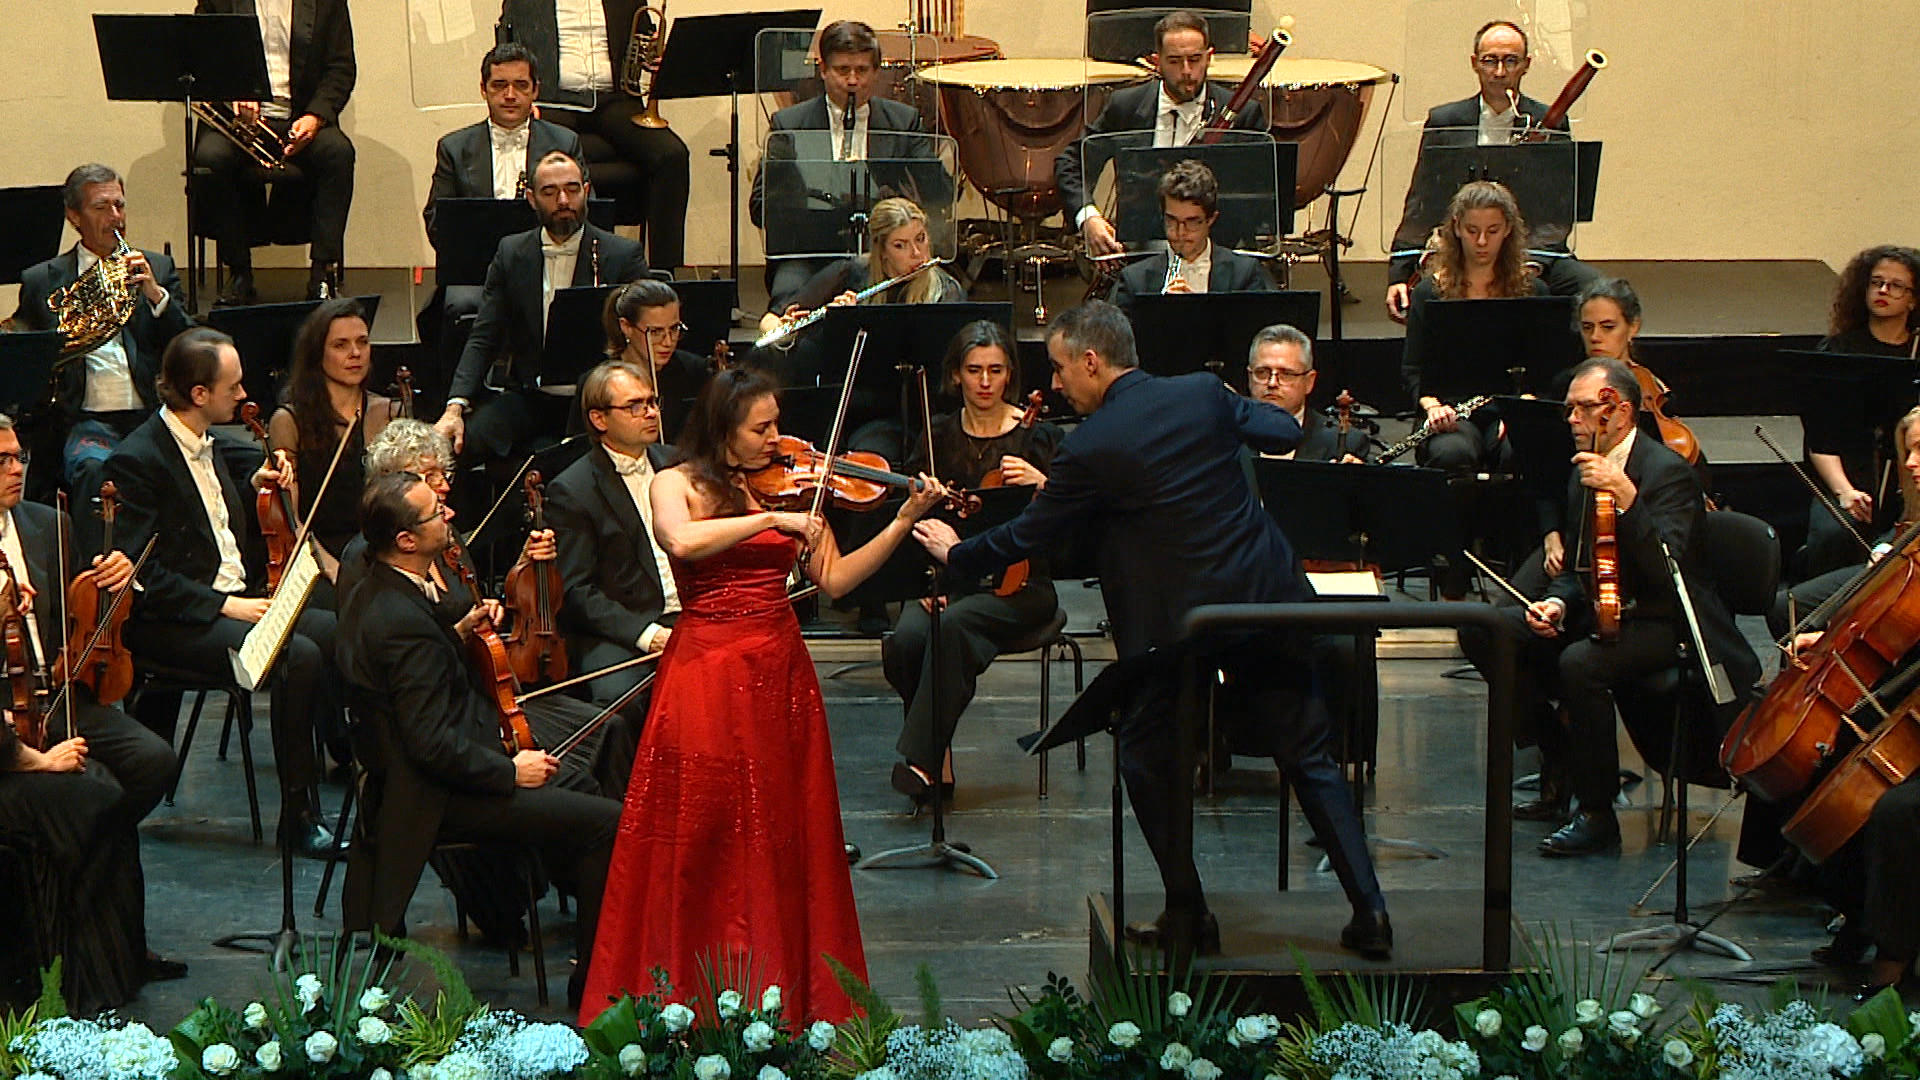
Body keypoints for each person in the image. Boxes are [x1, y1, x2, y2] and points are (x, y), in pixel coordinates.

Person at [912, 301, 1391, 961]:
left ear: (1091, 361)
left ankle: (1189, 913)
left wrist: (954, 553)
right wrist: (1226, 407)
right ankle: (1371, 912)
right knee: (1308, 754)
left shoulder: (1091, 445)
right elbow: (1280, 430)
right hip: (1262, 600)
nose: (1053, 385)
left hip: (1180, 625)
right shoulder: (1200, 392)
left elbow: (1029, 534)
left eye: (1057, 368)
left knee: (1144, 752)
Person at [581, 367, 950, 1024]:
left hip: (778, 672)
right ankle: (689, 995)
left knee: (778, 833)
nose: (778, 439)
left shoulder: (796, 489)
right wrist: (772, 519)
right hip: (707, 672)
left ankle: (779, 995)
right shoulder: (677, 483)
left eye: (777, 423)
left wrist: (900, 521)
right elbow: (680, 540)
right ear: (724, 430)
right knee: (704, 831)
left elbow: (835, 581)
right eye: (762, 428)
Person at [337, 471, 619, 1010]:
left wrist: (456, 633)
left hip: (431, 771)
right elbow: (430, 745)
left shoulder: (378, 585)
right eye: (434, 514)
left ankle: (592, 928)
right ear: (406, 541)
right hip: (437, 795)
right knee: (606, 825)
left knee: (584, 781)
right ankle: (597, 985)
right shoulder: (400, 622)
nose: (448, 515)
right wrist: (513, 770)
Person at [1455, 357, 1760, 856]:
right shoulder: (1583, 472)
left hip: (1668, 619)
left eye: (1579, 409)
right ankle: (1560, 755)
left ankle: (1597, 814)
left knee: (1581, 664)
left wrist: (1626, 498)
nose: (1569, 419)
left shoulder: (1669, 475)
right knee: (1485, 629)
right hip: (1606, 604)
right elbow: (1582, 568)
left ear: (1617, 411)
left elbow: (1670, 572)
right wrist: (1555, 602)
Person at [104, 327, 341, 859]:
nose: (243, 394)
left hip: (232, 605)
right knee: (296, 655)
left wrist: (260, 485)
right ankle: (299, 816)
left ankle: (351, 760)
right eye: (233, 386)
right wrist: (227, 605)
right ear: (199, 395)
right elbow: (142, 576)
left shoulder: (218, 447)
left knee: (335, 627)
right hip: (172, 623)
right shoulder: (137, 461)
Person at [0, 412, 185, 1011]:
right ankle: (88, 926)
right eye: (0, 462)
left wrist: (119, 579)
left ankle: (101, 898)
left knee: (153, 762)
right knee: (97, 793)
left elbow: (78, 609)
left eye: (18, 458)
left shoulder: (46, 523)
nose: (14, 471)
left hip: (57, 693)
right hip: (7, 712)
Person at [883, 321, 1064, 804]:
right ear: (956, 375)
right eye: (974, 370)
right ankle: (935, 756)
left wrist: (1042, 484)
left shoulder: (1039, 439)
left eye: (996, 370)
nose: (985, 382)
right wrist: (929, 576)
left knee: (956, 624)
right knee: (906, 638)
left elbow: (1075, 517)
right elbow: (915, 518)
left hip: (1022, 587)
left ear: (1010, 376)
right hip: (950, 578)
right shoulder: (937, 435)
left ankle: (922, 759)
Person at [9, 164, 191, 541]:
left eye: (120, 206)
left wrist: (156, 296)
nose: (115, 218)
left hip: (150, 416)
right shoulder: (42, 279)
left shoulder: (156, 267)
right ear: (74, 217)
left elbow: (189, 346)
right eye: (101, 207)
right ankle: (100, 582)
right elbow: (26, 353)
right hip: (84, 419)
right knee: (93, 471)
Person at [436, 151, 648, 467]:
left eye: (572, 189)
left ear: (586, 192)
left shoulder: (622, 255)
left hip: (598, 401)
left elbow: (640, 338)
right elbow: (484, 334)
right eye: (550, 192)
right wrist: (454, 407)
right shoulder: (511, 252)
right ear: (532, 199)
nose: (563, 200)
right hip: (530, 396)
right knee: (453, 448)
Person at [1383, 20, 1596, 323]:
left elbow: (1557, 213)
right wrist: (1399, 274)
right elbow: (1421, 202)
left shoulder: (1548, 123)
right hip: (1463, 251)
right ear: (1475, 64)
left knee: (1596, 291)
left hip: (1528, 252)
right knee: (1423, 297)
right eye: (1490, 61)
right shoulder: (1446, 121)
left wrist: (1533, 261)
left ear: (1526, 65)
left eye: (1511, 61)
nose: (1500, 72)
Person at [421, 42, 589, 403]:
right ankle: (460, 403)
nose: (510, 95)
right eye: (499, 86)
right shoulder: (454, 146)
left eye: (520, 86)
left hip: (552, 262)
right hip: (477, 272)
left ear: (536, 90)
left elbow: (582, 210)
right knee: (459, 304)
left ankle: (562, 398)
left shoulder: (565, 141)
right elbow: (437, 219)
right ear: (484, 89)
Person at [751, 20, 948, 314]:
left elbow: (941, 193)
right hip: (809, 252)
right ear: (823, 70)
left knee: (942, 296)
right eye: (843, 71)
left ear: (876, 71)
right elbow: (760, 208)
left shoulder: (903, 121)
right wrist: (806, 198)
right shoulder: (789, 125)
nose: (853, 81)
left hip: (884, 252)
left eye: (862, 71)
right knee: (786, 308)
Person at [545, 359, 679, 786]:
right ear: (599, 419)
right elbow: (578, 591)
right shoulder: (573, 488)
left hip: (689, 615)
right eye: (635, 406)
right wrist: (648, 634)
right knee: (620, 700)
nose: (651, 413)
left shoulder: (677, 463)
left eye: (653, 402)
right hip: (619, 631)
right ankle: (624, 817)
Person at [495, 0, 692, 270]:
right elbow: (508, 52)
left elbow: (644, 38)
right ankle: (537, 265)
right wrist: (527, 102)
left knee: (672, 155)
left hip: (615, 100)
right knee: (541, 153)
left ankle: (663, 274)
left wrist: (654, 55)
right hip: (555, 101)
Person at [1056, 10, 1268, 258]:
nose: (1187, 71)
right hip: (1143, 247)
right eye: (1175, 61)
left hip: (1220, 249)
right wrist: (1089, 217)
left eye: (1195, 59)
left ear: (1209, 57)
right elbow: (1071, 163)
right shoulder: (1125, 106)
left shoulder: (1243, 113)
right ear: (1156, 61)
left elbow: (1260, 195)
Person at [193, 0, 356, 304]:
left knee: (339, 153)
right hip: (239, 120)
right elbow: (204, 55)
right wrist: (235, 91)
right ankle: (239, 271)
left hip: (300, 113)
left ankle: (322, 272)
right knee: (209, 159)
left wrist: (316, 116)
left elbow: (341, 67)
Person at [1400, 180, 1546, 477]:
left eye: (1492, 231)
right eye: (1472, 231)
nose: (1481, 242)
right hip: (1451, 412)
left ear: (1507, 230)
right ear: (1456, 227)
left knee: (1523, 450)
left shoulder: (1533, 292)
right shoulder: (1430, 293)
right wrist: (1432, 407)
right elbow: (1413, 368)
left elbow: (1546, 370)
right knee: (1453, 453)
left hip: (1509, 410)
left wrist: (1524, 411)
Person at [1801, 245, 1920, 579]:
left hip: (1909, 476)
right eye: (1876, 282)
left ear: (1913, 300)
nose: (1883, 290)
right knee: (1835, 533)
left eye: (1896, 286)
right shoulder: (1837, 352)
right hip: (1848, 474)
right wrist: (1844, 491)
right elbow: (1821, 439)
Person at [268, 297, 400, 577]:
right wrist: (331, 571)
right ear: (318, 354)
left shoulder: (390, 413)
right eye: (341, 345)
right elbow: (292, 521)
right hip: (317, 558)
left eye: (362, 342)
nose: (356, 353)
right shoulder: (289, 421)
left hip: (382, 556)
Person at [757, 197, 967, 344]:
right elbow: (770, 319)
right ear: (882, 250)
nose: (917, 253)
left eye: (921, 239)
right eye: (900, 245)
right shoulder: (851, 271)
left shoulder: (946, 291)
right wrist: (788, 331)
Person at [1110, 159, 1273, 309]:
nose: (1180, 232)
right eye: (1172, 220)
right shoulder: (1134, 280)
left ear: (1210, 219)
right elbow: (1121, 340)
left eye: (1192, 221)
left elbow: (1251, 336)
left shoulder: (1244, 274)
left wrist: (1195, 312)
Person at [600, 280, 713, 442]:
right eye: (655, 332)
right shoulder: (601, 382)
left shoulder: (694, 370)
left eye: (674, 329)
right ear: (626, 327)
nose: (668, 342)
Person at [1245, 324, 1369, 463]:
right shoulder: (1221, 435)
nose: (1272, 383)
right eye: (1262, 372)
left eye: (1286, 374)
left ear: (1309, 381)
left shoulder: (1346, 443)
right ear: (1250, 377)